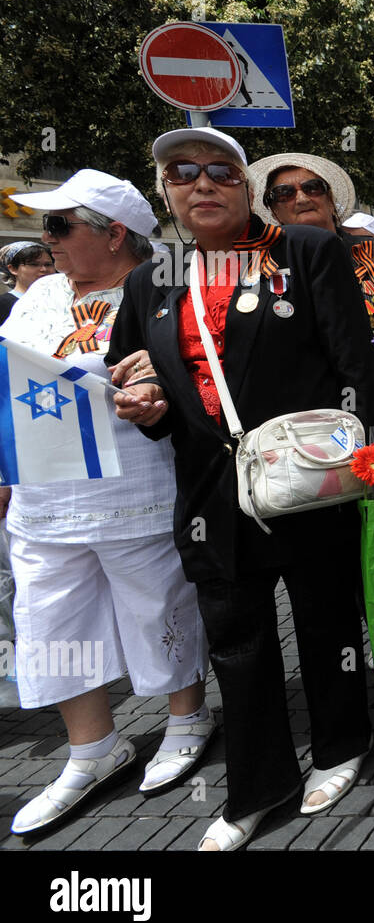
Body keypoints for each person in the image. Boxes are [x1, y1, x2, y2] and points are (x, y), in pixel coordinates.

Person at [108, 127, 374, 850]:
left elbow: (354, 360)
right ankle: (257, 785)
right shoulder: (151, 280)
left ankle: (339, 744)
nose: (201, 184)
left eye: (220, 171)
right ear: (165, 191)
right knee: (236, 642)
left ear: (243, 187)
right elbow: (135, 372)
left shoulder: (305, 252)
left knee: (326, 620)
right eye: (183, 172)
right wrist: (142, 402)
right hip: (209, 492)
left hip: (305, 476)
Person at [1, 169, 211, 835]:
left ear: (113, 233)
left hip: (133, 486)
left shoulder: (160, 291)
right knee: (53, 623)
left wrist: (157, 386)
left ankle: (187, 718)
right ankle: (93, 749)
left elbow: (196, 379)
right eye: (47, 228)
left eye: (59, 226)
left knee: (157, 606)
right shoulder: (38, 297)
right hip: (42, 496)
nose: (47, 240)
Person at [249, 152, 374, 336]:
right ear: (274, 211)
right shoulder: (262, 269)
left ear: (330, 200)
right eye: (284, 193)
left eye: (312, 188)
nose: (302, 199)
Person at [0, 241, 54, 325]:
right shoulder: (3, 304)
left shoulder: (63, 301)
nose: (44, 269)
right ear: (13, 269)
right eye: (34, 264)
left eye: (48, 264)